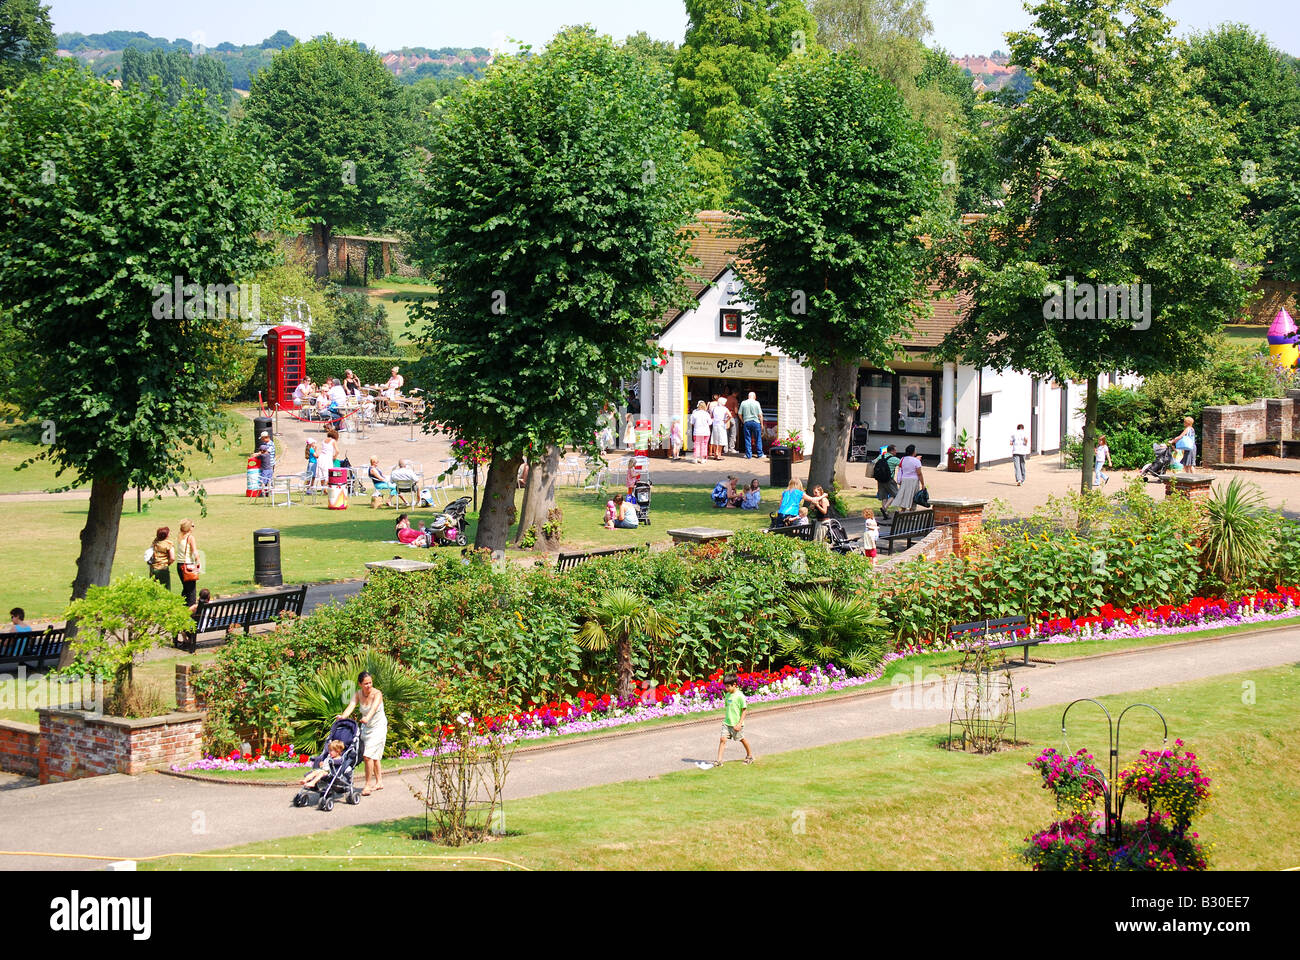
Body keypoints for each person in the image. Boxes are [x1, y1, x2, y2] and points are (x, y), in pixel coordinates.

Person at [339, 671, 386, 795]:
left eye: (370, 682)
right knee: (373, 756)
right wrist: (343, 717)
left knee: (367, 755)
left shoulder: (377, 694)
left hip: (378, 727)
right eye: (366, 683)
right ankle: (379, 781)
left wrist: (367, 718)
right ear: (360, 684)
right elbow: (351, 706)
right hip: (366, 727)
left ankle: (367, 785)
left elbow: (374, 708)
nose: (369, 685)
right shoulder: (358, 694)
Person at [714, 673, 753, 766]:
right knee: (722, 739)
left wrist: (739, 724)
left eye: (728, 687)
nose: (726, 689)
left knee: (741, 739)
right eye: (725, 687)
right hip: (727, 723)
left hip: (736, 725)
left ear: (735, 684)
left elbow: (744, 711)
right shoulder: (727, 695)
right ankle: (719, 761)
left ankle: (750, 756)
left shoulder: (740, 696)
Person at [884, 445, 925, 513]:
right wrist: (923, 484)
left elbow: (901, 469)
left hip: (904, 480)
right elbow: (919, 473)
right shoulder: (917, 461)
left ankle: (902, 512)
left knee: (904, 497)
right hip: (913, 481)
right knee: (914, 497)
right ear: (913, 452)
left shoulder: (902, 459)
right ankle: (912, 513)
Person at [176, 519, 200, 607]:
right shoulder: (190, 537)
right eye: (192, 526)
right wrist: (198, 562)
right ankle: (191, 610)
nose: (193, 528)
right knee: (191, 591)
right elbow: (194, 552)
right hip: (188, 565)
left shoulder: (179, 536)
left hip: (180, 565)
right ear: (189, 528)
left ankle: (181, 607)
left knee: (186, 589)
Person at [739, 392, 764, 459]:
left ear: (748, 396)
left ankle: (748, 455)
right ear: (754, 397)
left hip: (747, 422)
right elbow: (760, 415)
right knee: (758, 438)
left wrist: (743, 421)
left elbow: (739, 414)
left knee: (747, 439)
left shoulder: (743, 403)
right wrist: (762, 424)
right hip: (756, 422)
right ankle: (760, 454)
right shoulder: (757, 403)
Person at [709, 395, 730, 460]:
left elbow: (711, 416)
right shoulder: (725, 409)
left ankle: (715, 454)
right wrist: (726, 421)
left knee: (715, 439)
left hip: (715, 424)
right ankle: (719, 454)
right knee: (721, 440)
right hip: (721, 424)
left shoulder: (714, 408)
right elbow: (730, 415)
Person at [725, 390, 740, 454]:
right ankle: (731, 448)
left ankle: (725, 448)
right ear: (736, 393)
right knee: (733, 434)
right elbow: (736, 411)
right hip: (733, 417)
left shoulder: (727, 398)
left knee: (726, 433)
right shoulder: (735, 400)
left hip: (726, 417)